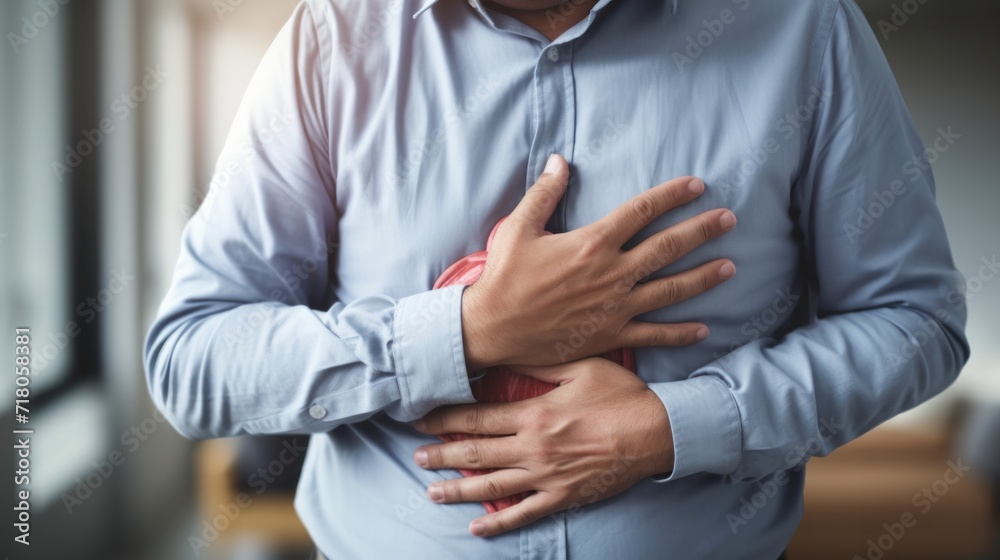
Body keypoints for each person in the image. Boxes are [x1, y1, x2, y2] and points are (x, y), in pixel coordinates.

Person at [144, 1, 969, 558]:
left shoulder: (803, 28)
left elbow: (915, 320)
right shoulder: (334, 38)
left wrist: (671, 429)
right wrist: (468, 331)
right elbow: (194, 360)